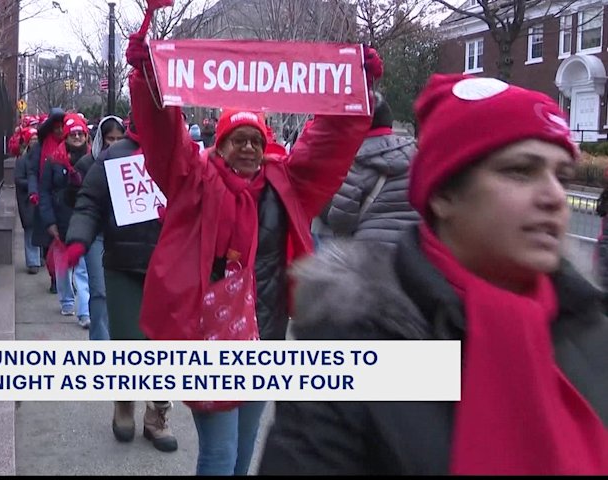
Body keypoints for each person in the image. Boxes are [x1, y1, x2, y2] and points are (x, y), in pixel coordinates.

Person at [258, 74, 608, 475]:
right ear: (444, 194)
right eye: (519, 171)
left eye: (561, 176)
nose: (553, 197)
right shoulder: (358, 345)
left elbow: (337, 212)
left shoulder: (589, 330)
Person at [126, 33, 381, 475]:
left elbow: (326, 145)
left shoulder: (286, 186)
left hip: (265, 337)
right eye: (237, 138)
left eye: (255, 141)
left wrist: (355, 85)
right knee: (221, 455)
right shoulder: (194, 183)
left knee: (244, 455)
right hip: (208, 344)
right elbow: (165, 137)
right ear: (218, 145)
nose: (248, 148)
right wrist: (150, 77)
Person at [64, 118, 178, 453]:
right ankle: (124, 402)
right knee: (129, 341)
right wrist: (78, 240)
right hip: (124, 266)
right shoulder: (113, 157)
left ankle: (157, 414)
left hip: (170, 267)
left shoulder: (180, 155)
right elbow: (89, 203)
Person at [312, 91, 420, 248]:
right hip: (412, 250)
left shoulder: (357, 163)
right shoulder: (416, 156)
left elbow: (340, 221)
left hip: (371, 255)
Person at [68, 115, 126, 341]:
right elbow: (84, 204)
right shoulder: (87, 165)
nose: (114, 143)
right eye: (110, 138)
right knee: (99, 293)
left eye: (119, 138)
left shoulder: (131, 160)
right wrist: (77, 238)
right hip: (97, 236)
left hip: (123, 237)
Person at [36, 113, 91, 328]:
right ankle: (67, 300)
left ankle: (84, 311)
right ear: (66, 137)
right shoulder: (52, 161)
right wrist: (49, 222)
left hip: (85, 220)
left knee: (84, 268)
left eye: (80, 133)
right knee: (62, 267)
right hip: (60, 221)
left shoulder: (92, 160)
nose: (77, 137)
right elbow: (45, 192)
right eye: (73, 133)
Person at [29, 108, 67, 293]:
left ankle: (63, 278)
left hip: (66, 204)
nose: (60, 131)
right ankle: (54, 277)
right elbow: (33, 172)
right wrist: (33, 192)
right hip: (46, 202)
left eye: (62, 127)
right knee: (49, 244)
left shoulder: (70, 146)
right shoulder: (40, 147)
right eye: (56, 128)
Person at [15, 128, 42, 273]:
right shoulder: (22, 160)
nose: (35, 141)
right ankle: (33, 262)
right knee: (30, 230)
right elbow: (18, 180)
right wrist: (33, 184)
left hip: (41, 200)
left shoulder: (42, 157)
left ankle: (41, 258)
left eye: (37, 139)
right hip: (28, 201)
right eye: (32, 139)